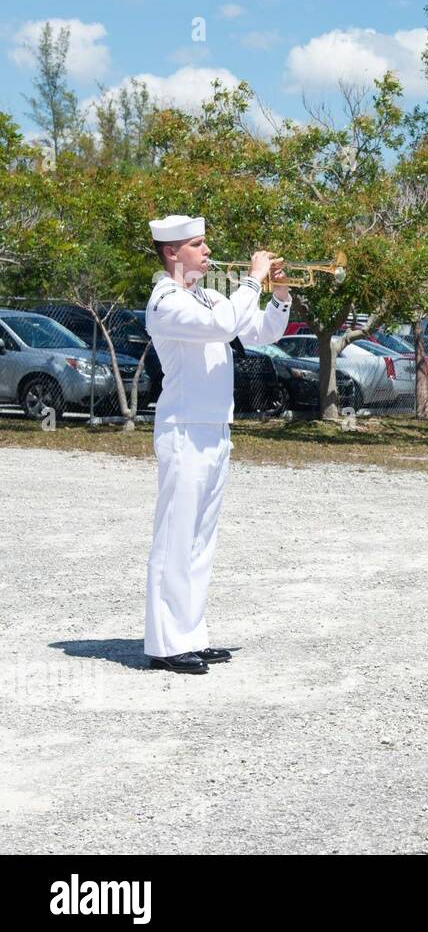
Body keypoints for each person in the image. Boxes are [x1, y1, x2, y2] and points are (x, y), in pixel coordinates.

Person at [143, 215, 291, 674]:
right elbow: (224, 325)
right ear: (172, 253)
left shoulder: (205, 296)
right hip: (184, 428)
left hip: (214, 428)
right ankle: (165, 643)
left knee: (201, 540)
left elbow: (259, 332)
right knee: (175, 538)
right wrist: (251, 279)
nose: (207, 252)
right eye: (198, 245)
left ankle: (191, 634)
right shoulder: (165, 301)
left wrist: (280, 294)